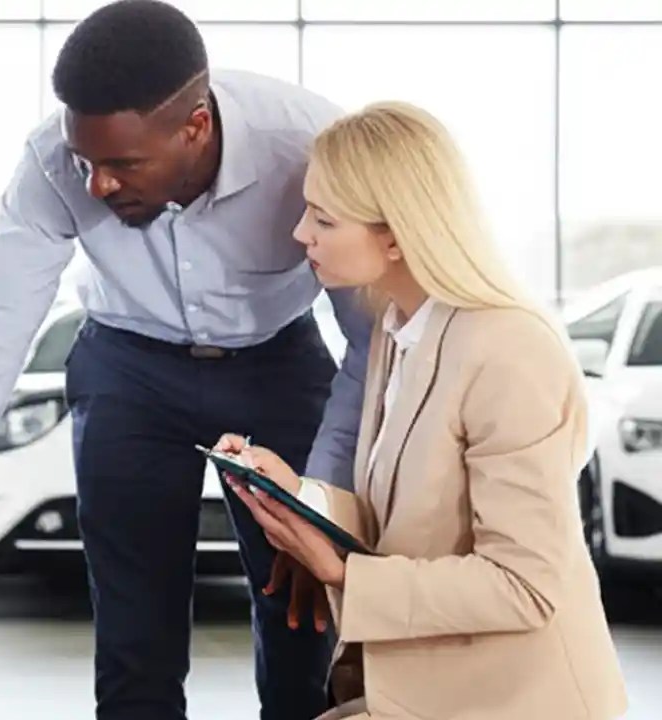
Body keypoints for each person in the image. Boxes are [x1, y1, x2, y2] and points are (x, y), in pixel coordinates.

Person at [0, 1, 373, 717]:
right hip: (128, 372)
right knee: (134, 648)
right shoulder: (51, 162)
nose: (96, 186)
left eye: (123, 164)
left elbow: (372, 340)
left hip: (277, 366)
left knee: (305, 631)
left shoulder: (307, 145)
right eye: (86, 161)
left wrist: (321, 507)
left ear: (196, 127)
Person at [215, 101, 629, 719]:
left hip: (513, 700)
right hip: (421, 687)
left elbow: (523, 585)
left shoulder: (510, 351)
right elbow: (409, 520)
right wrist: (300, 497)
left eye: (323, 219)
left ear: (395, 235)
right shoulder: (399, 327)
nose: (301, 233)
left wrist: (344, 573)